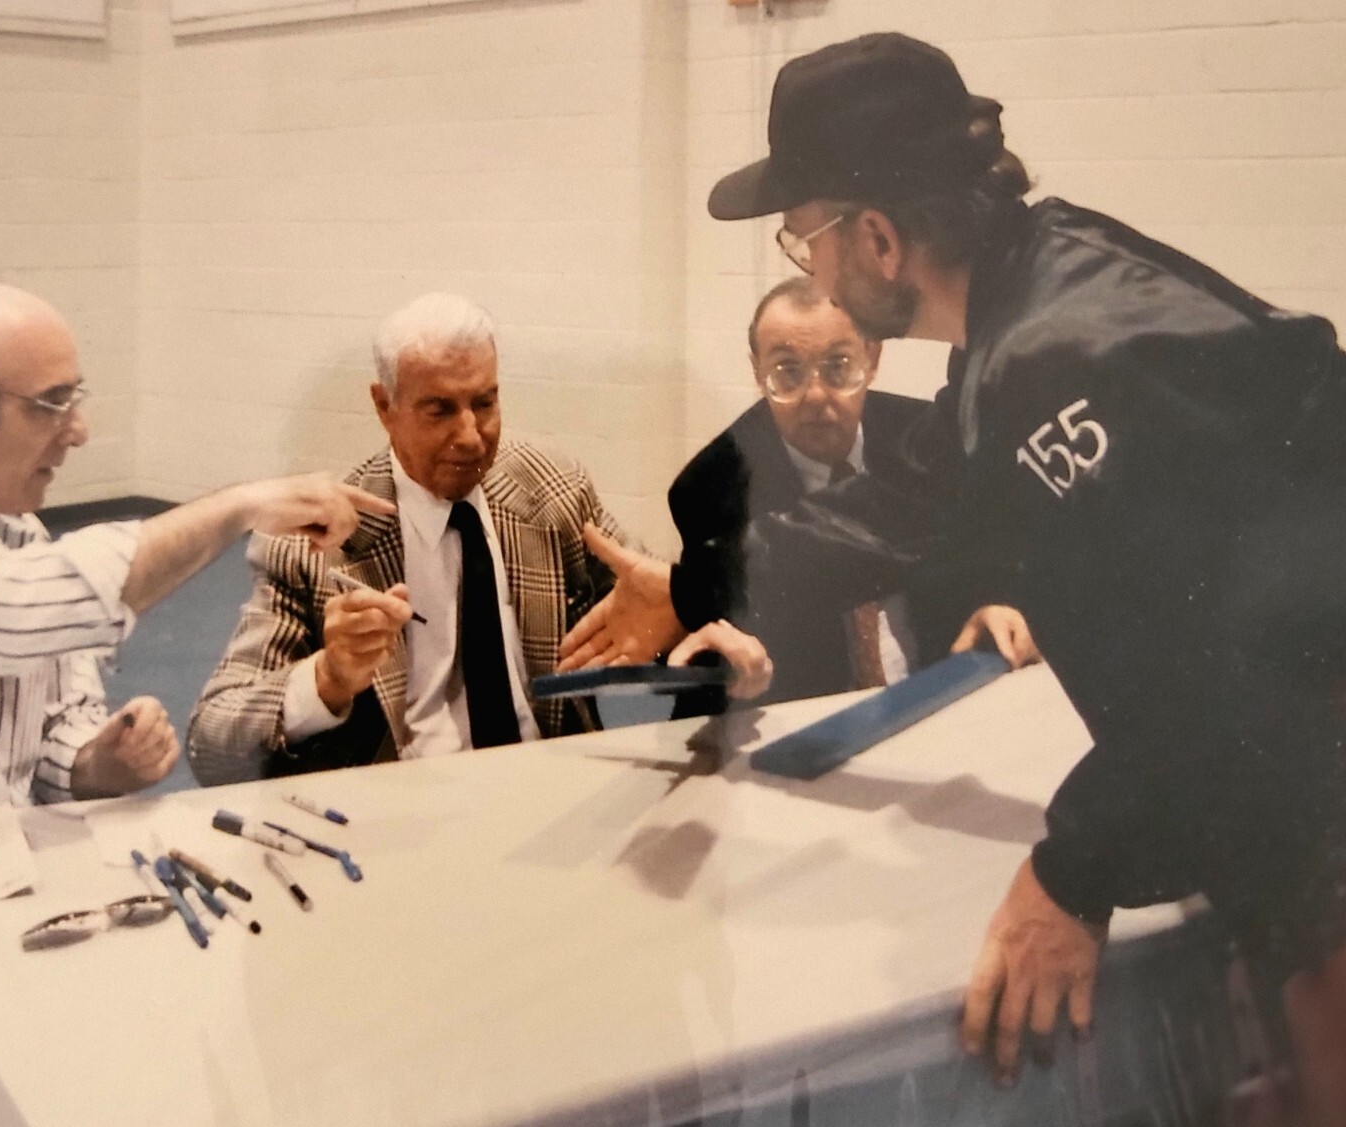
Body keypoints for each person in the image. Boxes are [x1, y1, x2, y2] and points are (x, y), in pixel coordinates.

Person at [566, 31, 1346, 1108]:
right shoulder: (1043, 287)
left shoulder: (1053, 357)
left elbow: (1223, 666)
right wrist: (693, 586)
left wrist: (1069, 874)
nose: (818, 276)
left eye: (806, 246)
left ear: (877, 239)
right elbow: (921, 495)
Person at [0, 280, 391, 846]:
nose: (79, 430)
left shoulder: (19, 535)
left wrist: (98, 763)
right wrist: (238, 506)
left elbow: (49, 740)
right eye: (51, 403)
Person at [187, 293, 768, 783]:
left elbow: (651, 616)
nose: (471, 436)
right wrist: (327, 679)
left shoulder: (553, 490)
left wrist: (695, 628)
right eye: (439, 409)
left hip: (550, 785)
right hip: (399, 808)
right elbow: (212, 737)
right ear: (384, 407)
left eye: (484, 403)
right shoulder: (311, 545)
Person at [667, 275, 1036, 707]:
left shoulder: (923, 439)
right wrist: (735, 668)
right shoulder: (712, 485)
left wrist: (1002, 604)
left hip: (941, 698)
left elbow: (983, 561)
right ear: (757, 371)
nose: (816, 395)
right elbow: (724, 635)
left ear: (872, 357)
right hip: (813, 723)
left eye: (838, 366)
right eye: (787, 372)